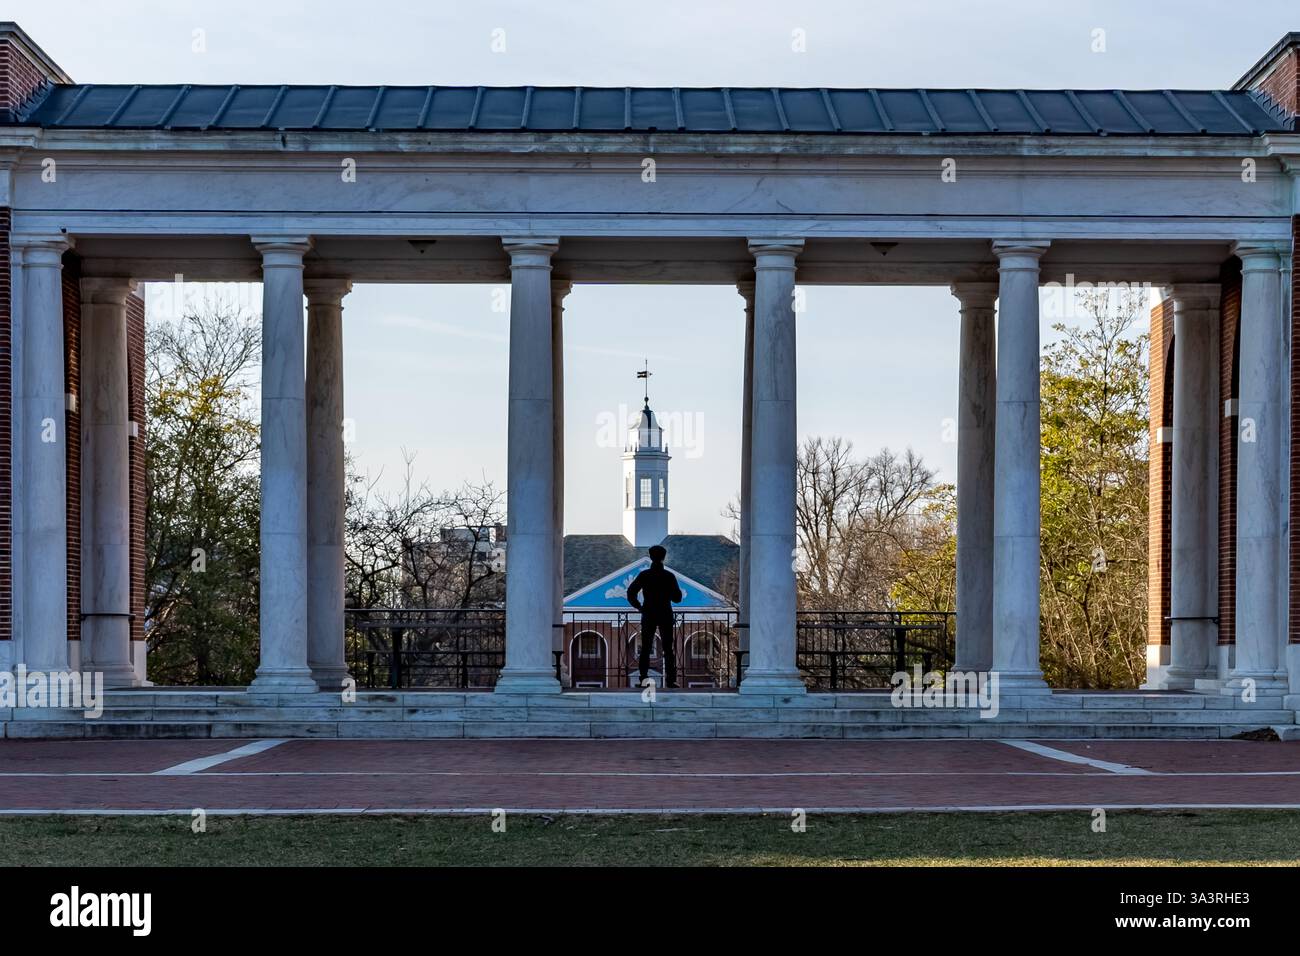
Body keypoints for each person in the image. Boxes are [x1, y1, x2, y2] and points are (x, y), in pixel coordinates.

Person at [626, 544, 683, 688]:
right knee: (668, 648)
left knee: (645, 648)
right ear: (663, 558)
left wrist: (639, 607)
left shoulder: (644, 575)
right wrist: (668, 592)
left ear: (651, 557)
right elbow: (677, 598)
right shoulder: (669, 576)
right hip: (665, 614)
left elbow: (630, 592)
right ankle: (671, 681)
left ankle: (643, 680)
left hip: (649, 613)